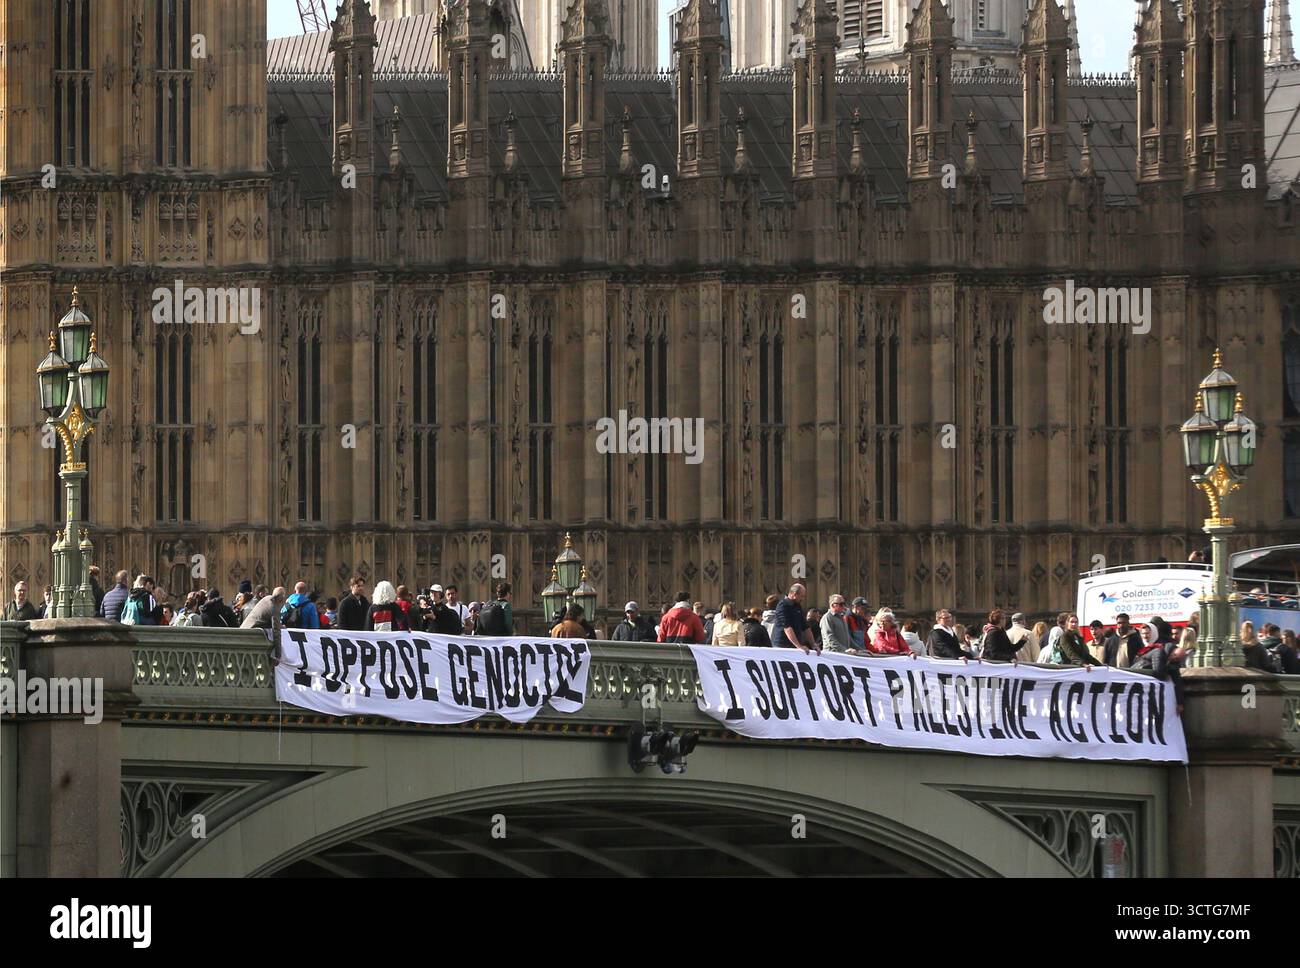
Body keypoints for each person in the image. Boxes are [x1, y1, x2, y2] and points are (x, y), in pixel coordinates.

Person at [1131, 627, 1192, 713]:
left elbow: (1177, 681)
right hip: (1139, 673)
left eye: (1177, 660)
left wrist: (1180, 703)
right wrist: (1167, 673)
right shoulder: (1158, 652)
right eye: (1175, 658)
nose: (1175, 660)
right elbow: (1158, 673)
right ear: (1173, 653)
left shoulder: (1172, 660)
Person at [771, 584, 815, 653]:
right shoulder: (783, 605)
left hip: (794, 646)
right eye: (801, 596)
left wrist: (813, 644)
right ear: (794, 594)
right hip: (782, 646)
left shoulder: (798, 606)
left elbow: (805, 627)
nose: (803, 599)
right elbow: (787, 627)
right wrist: (799, 646)